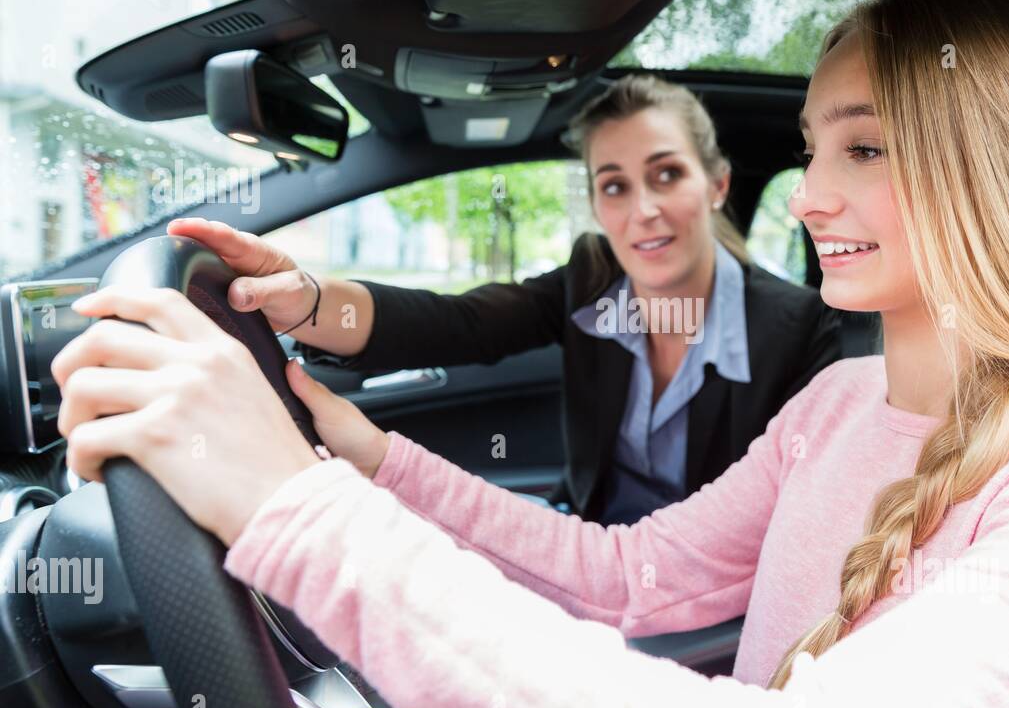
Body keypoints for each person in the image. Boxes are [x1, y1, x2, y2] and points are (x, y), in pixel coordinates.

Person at [55, 0, 1009, 708]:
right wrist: (361, 454)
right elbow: (622, 577)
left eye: (864, 147)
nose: (813, 198)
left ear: (993, 167)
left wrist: (294, 509)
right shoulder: (836, 402)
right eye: (815, 149)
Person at [166, 73, 841, 524]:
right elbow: (461, 324)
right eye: (614, 185)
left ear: (717, 184)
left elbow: (786, 524)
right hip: (590, 538)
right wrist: (310, 300)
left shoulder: (793, 326)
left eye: (666, 174)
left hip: (708, 597)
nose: (644, 211)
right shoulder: (592, 274)